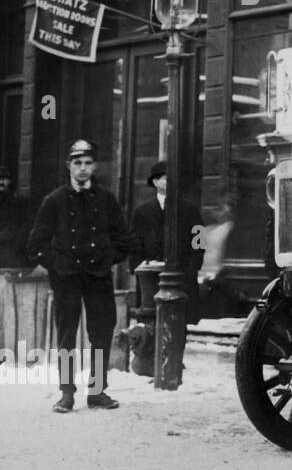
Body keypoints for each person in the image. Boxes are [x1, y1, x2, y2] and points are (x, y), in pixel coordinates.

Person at [27, 140, 138, 412]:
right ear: (69, 166)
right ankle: (66, 393)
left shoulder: (105, 199)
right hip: (66, 278)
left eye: (88, 163)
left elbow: (123, 239)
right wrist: (57, 264)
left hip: (98, 276)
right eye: (77, 163)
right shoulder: (54, 201)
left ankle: (97, 391)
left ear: (95, 166)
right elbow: (35, 245)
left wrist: (107, 258)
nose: (83, 169)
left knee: (100, 334)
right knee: (66, 336)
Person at [129, 161, 205, 324]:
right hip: (151, 277)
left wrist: (193, 266)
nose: (170, 182)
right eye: (165, 178)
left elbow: (199, 240)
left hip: (182, 275)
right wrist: (141, 267)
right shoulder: (142, 212)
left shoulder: (190, 210)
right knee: (151, 321)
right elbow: (134, 244)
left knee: (180, 321)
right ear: (155, 182)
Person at [0, 165, 32, 268]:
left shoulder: (20, 202)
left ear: (9, 181)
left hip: (11, 251)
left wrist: (16, 244)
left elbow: (26, 226)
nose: (1, 182)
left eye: (4, 179)